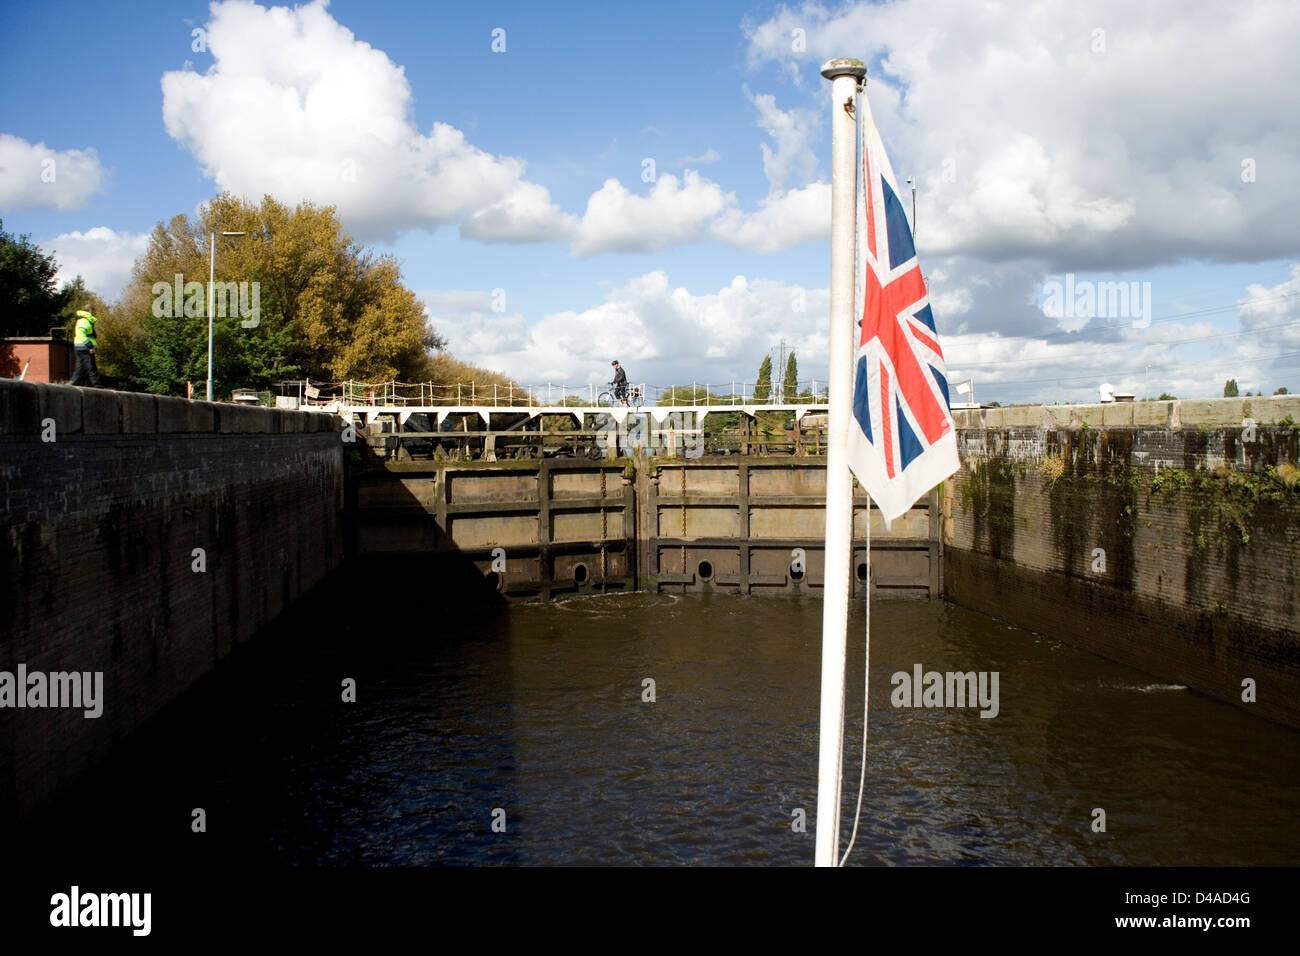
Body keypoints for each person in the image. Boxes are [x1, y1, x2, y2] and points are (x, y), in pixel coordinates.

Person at [69, 308, 101, 387]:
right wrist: (90, 346)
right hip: (84, 347)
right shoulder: (84, 321)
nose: (95, 313)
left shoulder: (83, 320)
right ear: (90, 311)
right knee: (91, 366)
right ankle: (97, 385)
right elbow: (80, 334)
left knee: (81, 367)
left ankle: (73, 383)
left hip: (80, 346)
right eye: (94, 311)